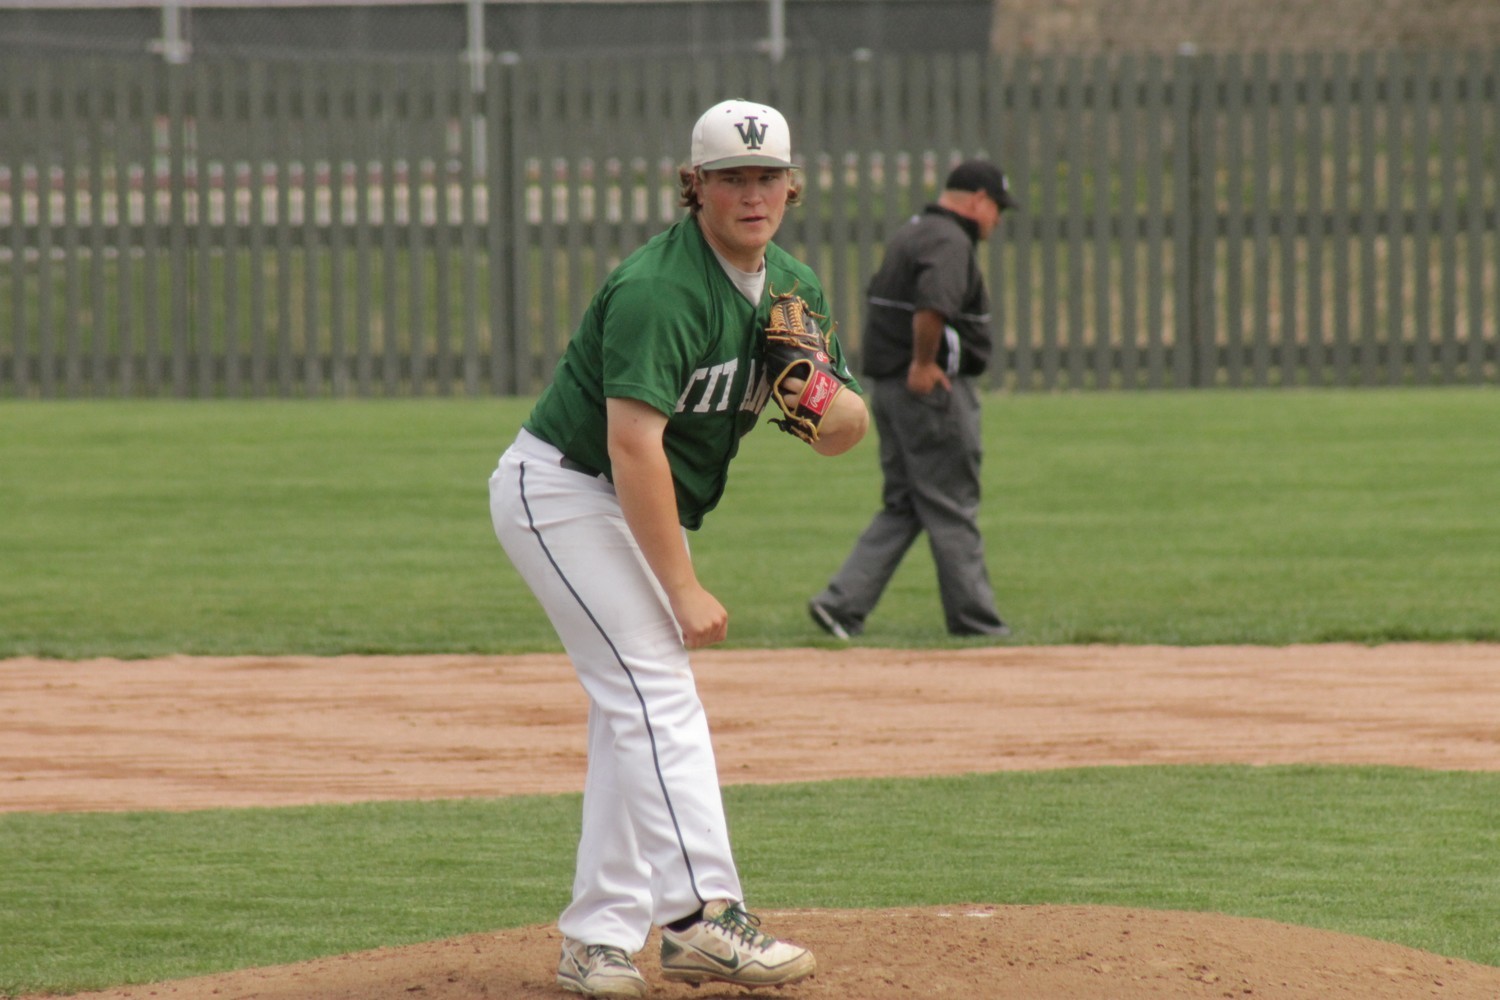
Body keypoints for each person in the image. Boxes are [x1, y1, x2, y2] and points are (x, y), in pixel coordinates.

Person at [488, 99, 868, 999]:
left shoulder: (790, 288)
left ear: (792, 185)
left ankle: (598, 938)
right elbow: (630, 445)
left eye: (766, 175)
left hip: (616, 501)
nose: (752, 194)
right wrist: (684, 586)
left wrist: (810, 390)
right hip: (562, 491)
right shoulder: (661, 288)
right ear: (694, 186)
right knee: (658, 684)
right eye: (731, 177)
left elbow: (845, 433)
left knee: (633, 709)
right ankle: (703, 918)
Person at [808, 159, 1017, 640]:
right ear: (979, 200)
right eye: (997, 208)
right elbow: (933, 306)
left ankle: (841, 604)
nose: (998, 220)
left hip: (891, 389)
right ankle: (976, 623)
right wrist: (924, 364)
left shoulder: (915, 231)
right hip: (929, 391)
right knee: (952, 503)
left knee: (905, 503)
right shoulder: (949, 241)